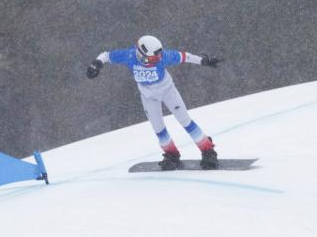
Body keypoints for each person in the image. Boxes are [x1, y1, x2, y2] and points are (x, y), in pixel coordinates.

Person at [86, 35, 222, 170]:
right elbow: (106, 56)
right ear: (141, 55)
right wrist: (96, 64)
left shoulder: (163, 57)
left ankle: (208, 150)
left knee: (185, 121)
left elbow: (185, 56)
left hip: (168, 91)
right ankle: (171, 154)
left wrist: (204, 61)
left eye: (159, 56)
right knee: (159, 129)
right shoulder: (129, 56)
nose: (158, 59)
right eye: (153, 58)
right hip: (148, 96)